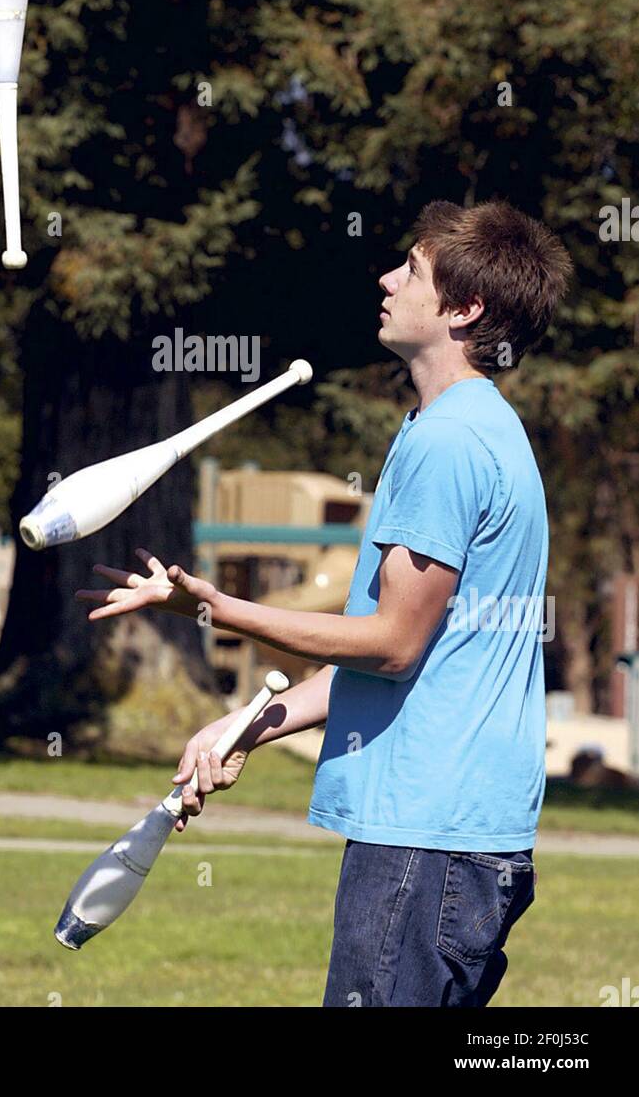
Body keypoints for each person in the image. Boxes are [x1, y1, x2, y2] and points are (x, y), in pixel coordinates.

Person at [77, 199, 572, 1008]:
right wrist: (248, 726)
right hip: (457, 838)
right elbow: (413, 663)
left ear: (464, 308)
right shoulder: (470, 428)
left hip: (423, 841)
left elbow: (390, 643)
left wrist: (213, 609)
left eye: (411, 270)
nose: (385, 279)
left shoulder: (450, 441)